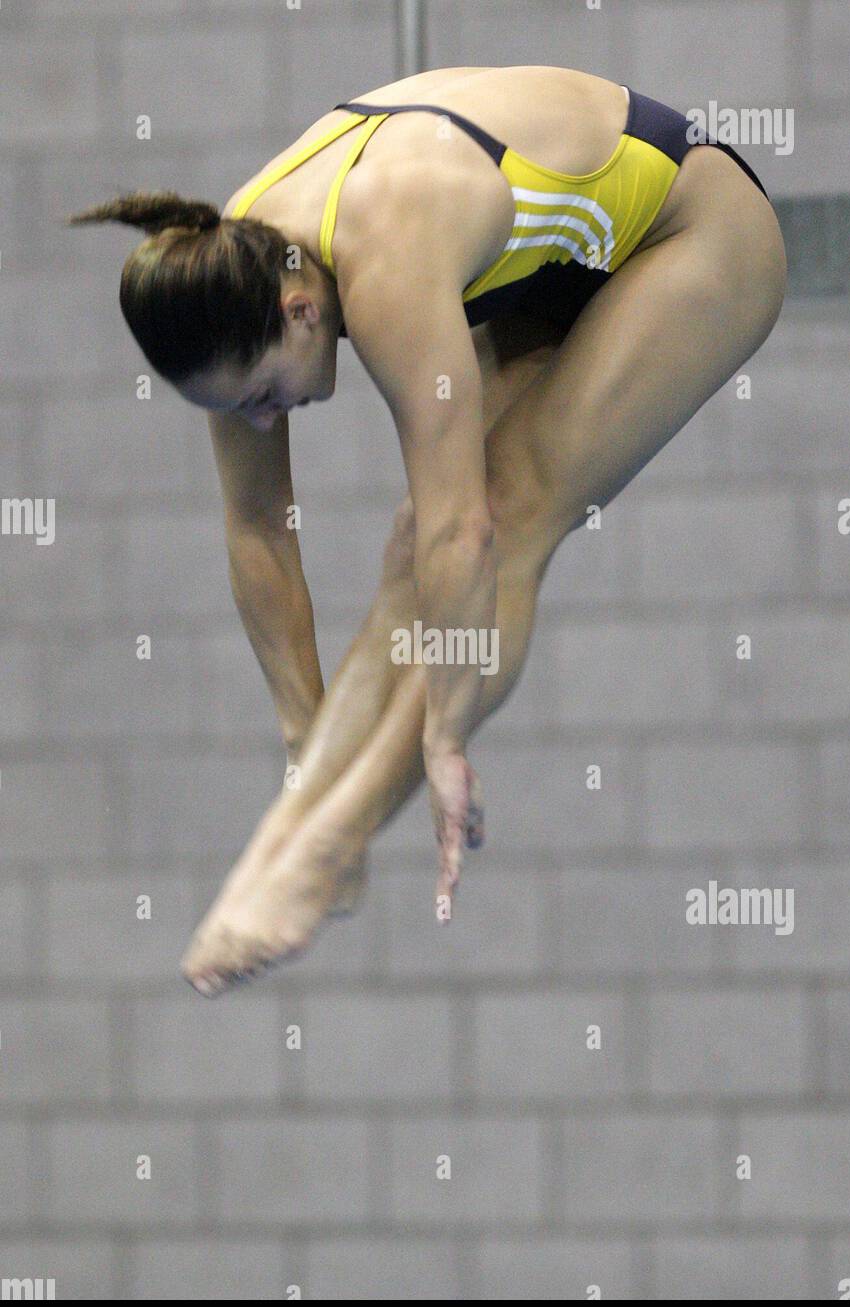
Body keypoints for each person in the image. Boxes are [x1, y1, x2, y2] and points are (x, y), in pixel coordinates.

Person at [69, 65, 786, 996]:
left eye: (258, 397)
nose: (258, 423)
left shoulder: (385, 251)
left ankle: (333, 847)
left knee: (511, 507)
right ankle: (297, 838)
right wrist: (303, 755)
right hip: (547, 271)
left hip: (700, 230)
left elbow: (470, 532)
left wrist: (445, 736)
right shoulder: (235, 262)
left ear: (300, 313)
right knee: (413, 554)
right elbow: (257, 530)